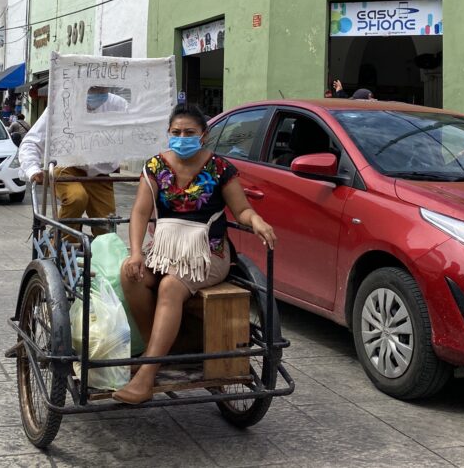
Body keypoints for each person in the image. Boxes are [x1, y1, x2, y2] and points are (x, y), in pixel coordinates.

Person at [114, 104, 276, 404]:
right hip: (164, 251)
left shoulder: (219, 167)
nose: (182, 137)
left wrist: (257, 222)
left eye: (189, 132)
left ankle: (147, 375)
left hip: (209, 254)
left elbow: (241, 210)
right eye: (176, 132)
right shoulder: (154, 167)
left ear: (203, 135)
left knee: (171, 286)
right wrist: (136, 253)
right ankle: (158, 350)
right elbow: (139, 212)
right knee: (130, 274)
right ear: (168, 134)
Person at [19, 87, 128, 235]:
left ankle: (101, 253)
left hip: (99, 174)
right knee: (76, 198)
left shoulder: (120, 106)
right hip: (67, 167)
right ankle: (61, 245)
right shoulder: (63, 103)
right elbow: (31, 142)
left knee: (106, 226)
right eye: (93, 86)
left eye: (102, 86)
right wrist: (33, 169)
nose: (97, 89)